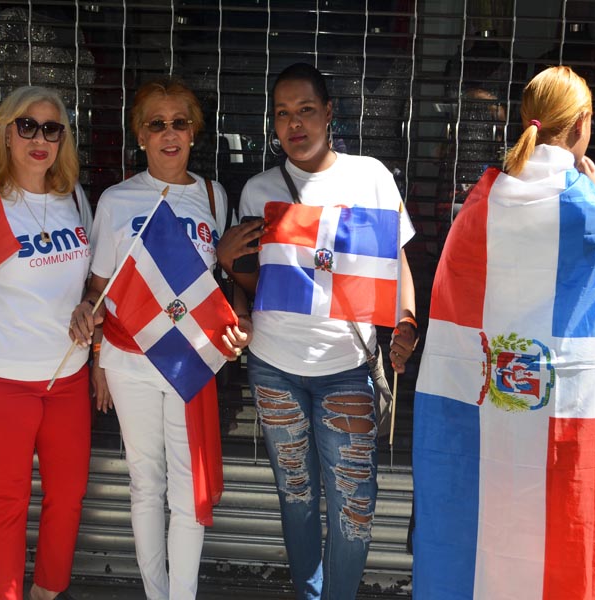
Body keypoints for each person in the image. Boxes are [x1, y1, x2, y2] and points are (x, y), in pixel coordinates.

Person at [411, 66, 595, 599]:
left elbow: (456, 311)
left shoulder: (479, 206)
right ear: (582, 123)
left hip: (484, 421)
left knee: (483, 534)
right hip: (558, 427)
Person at [216, 62, 418, 600]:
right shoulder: (259, 190)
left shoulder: (370, 176)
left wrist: (406, 320)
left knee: (354, 507)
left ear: (329, 112)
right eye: (282, 114)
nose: (294, 124)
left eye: (306, 110)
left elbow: (395, 262)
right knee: (298, 497)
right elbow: (255, 285)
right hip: (273, 366)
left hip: (347, 369)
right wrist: (226, 260)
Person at [68, 76, 251, 600]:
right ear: (140, 135)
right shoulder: (115, 200)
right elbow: (99, 292)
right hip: (129, 360)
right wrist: (98, 360)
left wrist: (239, 321)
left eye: (179, 122)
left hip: (192, 361)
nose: (169, 133)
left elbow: (232, 278)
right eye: (157, 124)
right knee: (146, 484)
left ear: (194, 132)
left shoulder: (214, 198)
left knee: (187, 489)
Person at [0, 86, 94, 600]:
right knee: (8, 497)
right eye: (27, 125)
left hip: (65, 375)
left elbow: (89, 282)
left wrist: (85, 308)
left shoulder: (74, 197)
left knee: (68, 495)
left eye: (52, 129)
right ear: (6, 131)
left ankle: (49, 589)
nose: (39, 138)